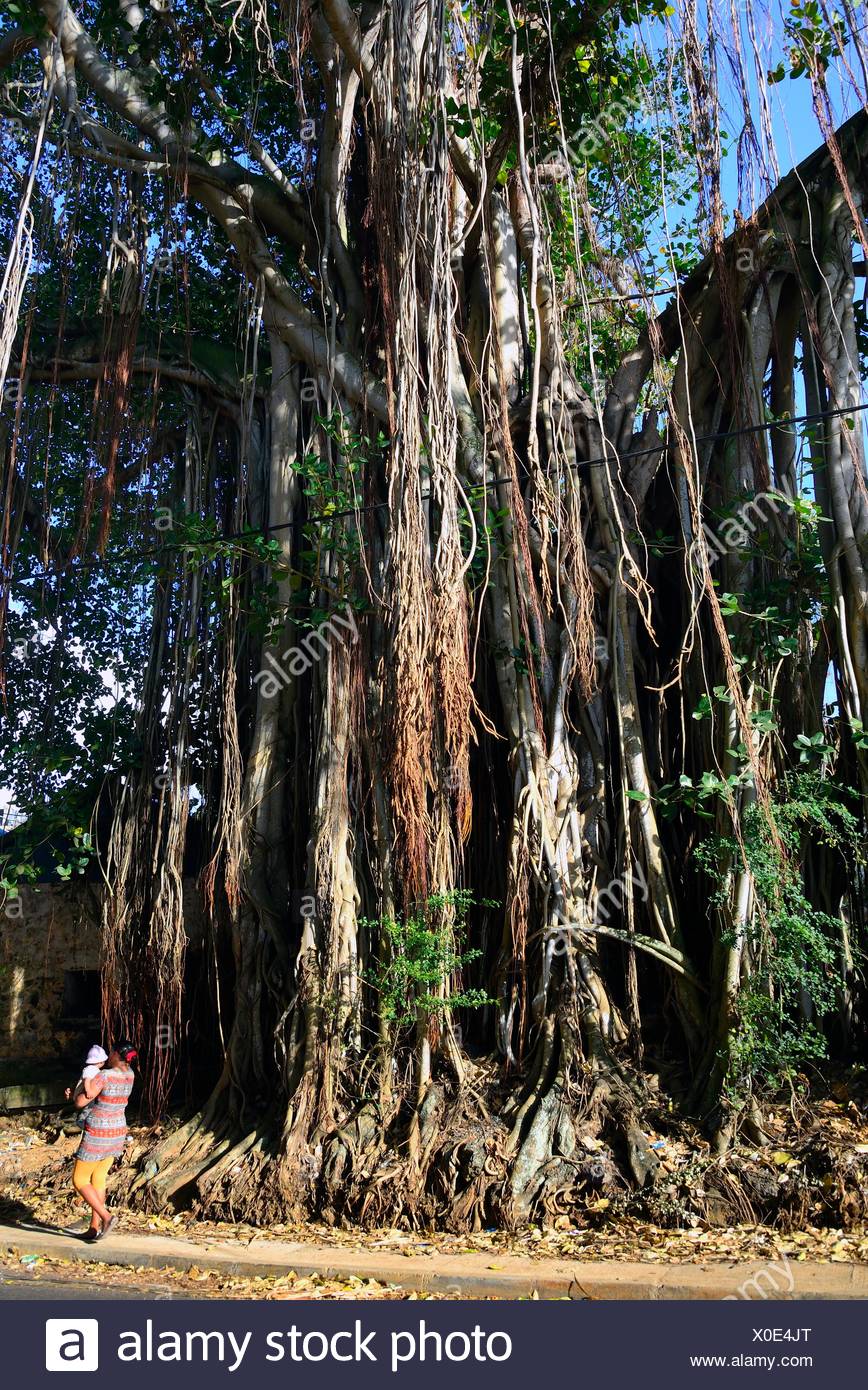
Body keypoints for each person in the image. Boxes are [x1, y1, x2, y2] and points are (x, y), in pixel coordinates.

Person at [71, 1040, 137, 1242]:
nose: (108, 1056)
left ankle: (107, 1218)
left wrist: (79, 1087)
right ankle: (94, 1227)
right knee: (98, 1178)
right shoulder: (130, 1075)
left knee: (79, 1179)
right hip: (117, 1131)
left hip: (98, 1132)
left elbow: (80, 1101)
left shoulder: (105, 1075)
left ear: (117, 1055)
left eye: (111, 1052)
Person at [64, 1044, 108, 1128]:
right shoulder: (91, 1069)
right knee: (86, 1110)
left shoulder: (93, 1069)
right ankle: (81, 1122)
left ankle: (83, 1121)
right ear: (101, 1062)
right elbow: (87, 1080)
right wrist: (88, 1091)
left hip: (82, 1094)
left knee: (88, 1109)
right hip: (85, 1094)